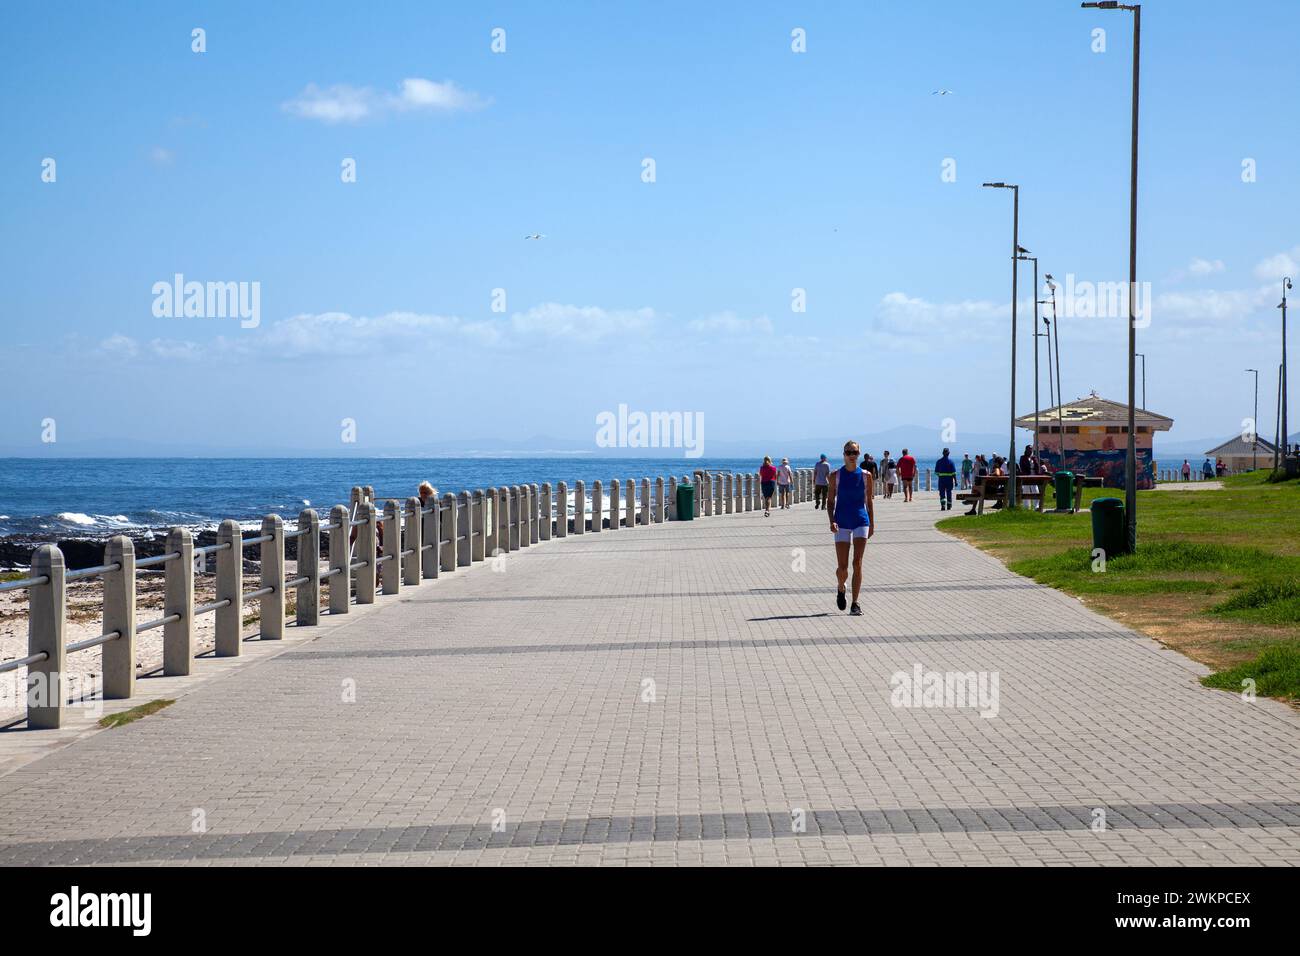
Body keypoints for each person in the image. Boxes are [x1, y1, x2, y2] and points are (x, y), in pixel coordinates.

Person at [826, 440, 874, 616]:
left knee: (857, 563)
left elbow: (869, 502)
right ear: (844, 454)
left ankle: (855, 603)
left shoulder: (866, 476)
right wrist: (832, 521)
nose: (852, 456)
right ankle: (840, 587)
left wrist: (872, 524)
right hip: (842, 522)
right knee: (843, 567)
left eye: (855, 452)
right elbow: (830, 503)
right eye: (849, 452)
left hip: (861, 520)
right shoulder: (835, 476)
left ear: (859, 454)